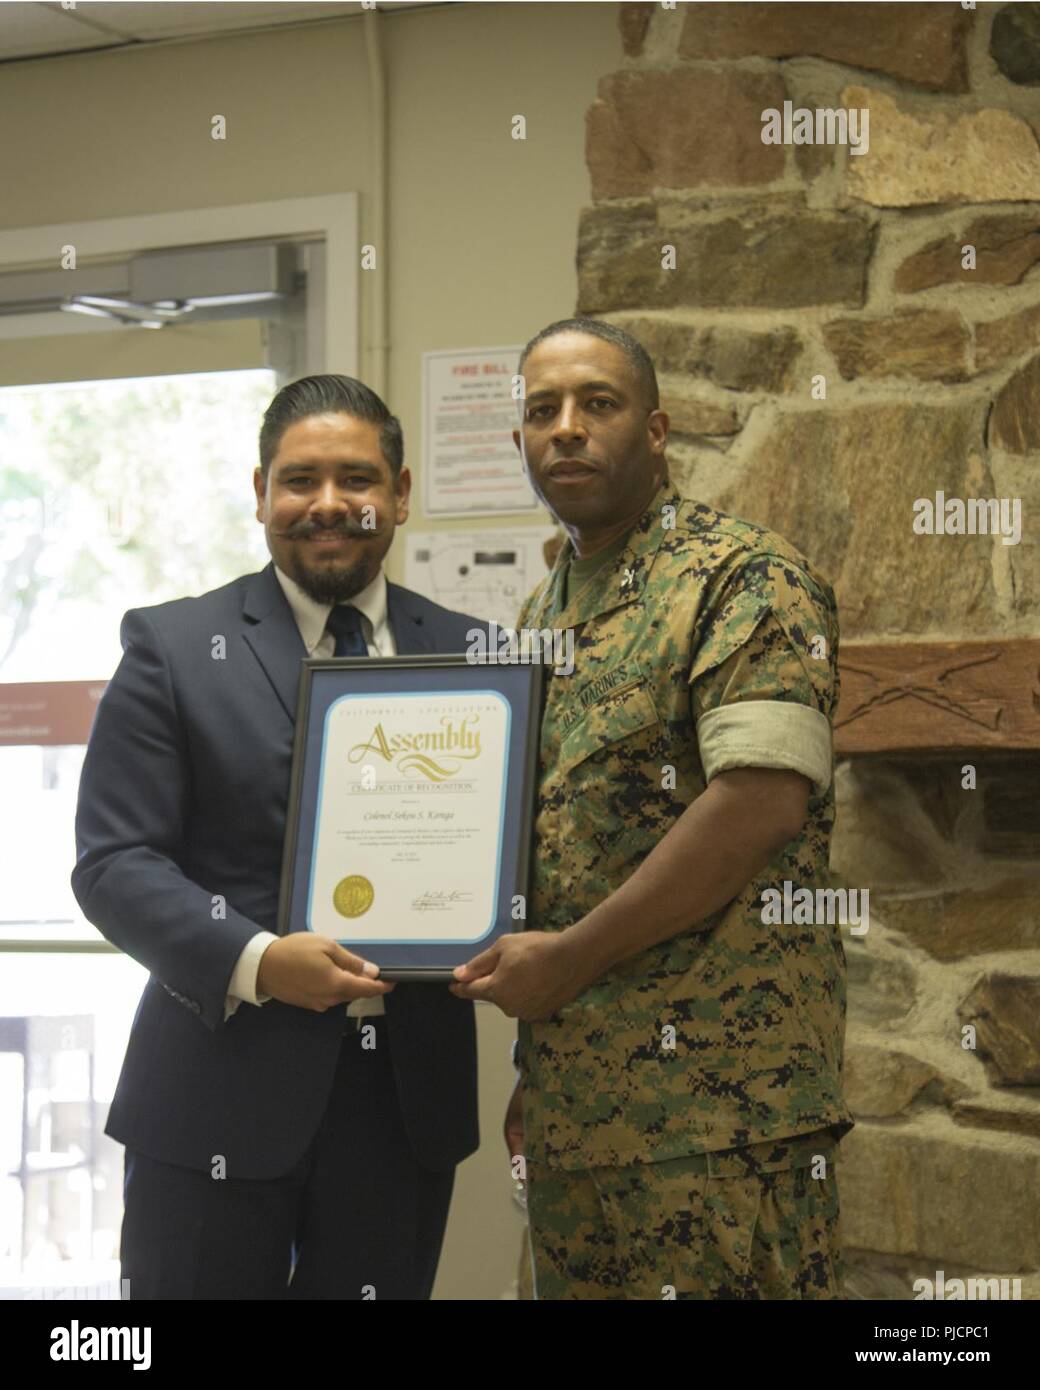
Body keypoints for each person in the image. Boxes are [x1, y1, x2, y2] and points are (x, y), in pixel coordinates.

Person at [452, 318, 854, 1300]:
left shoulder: (741, 577)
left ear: (657, 427)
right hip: (577, 1112)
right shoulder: (541, 617)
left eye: (597, 403)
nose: (566, 430)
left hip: (714, 1117)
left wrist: (571, 959)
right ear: (516, 444)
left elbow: (756, 803)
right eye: (540, 411)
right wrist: (537, 1060)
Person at [72, 374, 484, 1300]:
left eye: (357, 478)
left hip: (401, 1109)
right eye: (299, 480)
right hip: (215, 1091)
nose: (328, 504)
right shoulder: (173, 648)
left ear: (401, 494)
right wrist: (259, 960)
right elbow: (113, 865)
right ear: (260, 493)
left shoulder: (475, 654)